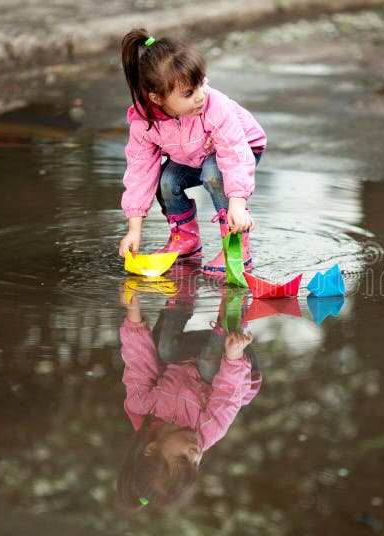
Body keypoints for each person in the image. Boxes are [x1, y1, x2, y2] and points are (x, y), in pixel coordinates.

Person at [117, 28, 267, 276]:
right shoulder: (145, 122)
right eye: (189, 93)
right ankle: (186, 240)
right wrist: (134, 229)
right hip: (192, 156)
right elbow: (139, 172)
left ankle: (236, 247)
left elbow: (234, 154)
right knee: (165, 180)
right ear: (157, 98)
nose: (201, 95)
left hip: (241, 150)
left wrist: (237, 205)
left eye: (200, 84)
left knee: (212, 172)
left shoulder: (214, 106)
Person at [116, 283, 261, 510]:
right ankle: (233, 307)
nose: (195, 454)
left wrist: (133, 312)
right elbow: (229, 395)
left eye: (183, 459)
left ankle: (181, 293)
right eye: (195, 464)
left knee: (163, 351)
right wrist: (234, 357)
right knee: (208, 367)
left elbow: (139, 362)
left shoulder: (141, 406)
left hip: (186, 351)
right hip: (233, 359)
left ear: (151, 448)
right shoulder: (207, 431)